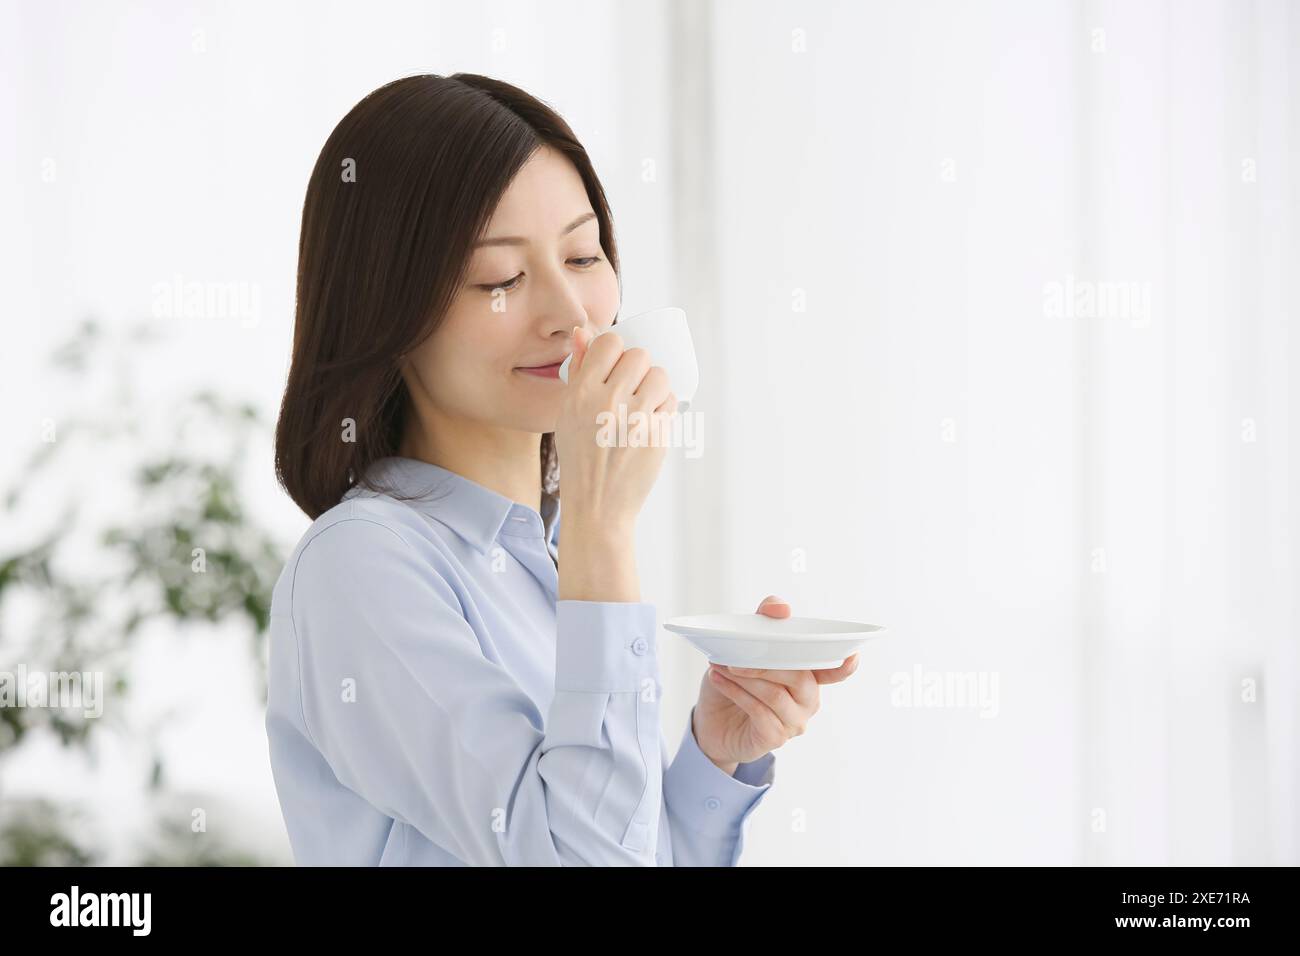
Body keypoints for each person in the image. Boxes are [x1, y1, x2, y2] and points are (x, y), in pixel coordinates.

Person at [265, 73, 858, 866]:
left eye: (583, 255)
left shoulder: (533, 558)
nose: (572, 314)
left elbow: (612, 846)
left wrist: (714, 754)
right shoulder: (361, 566)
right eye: (501, 279)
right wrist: (600, 528)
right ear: (390, 310)